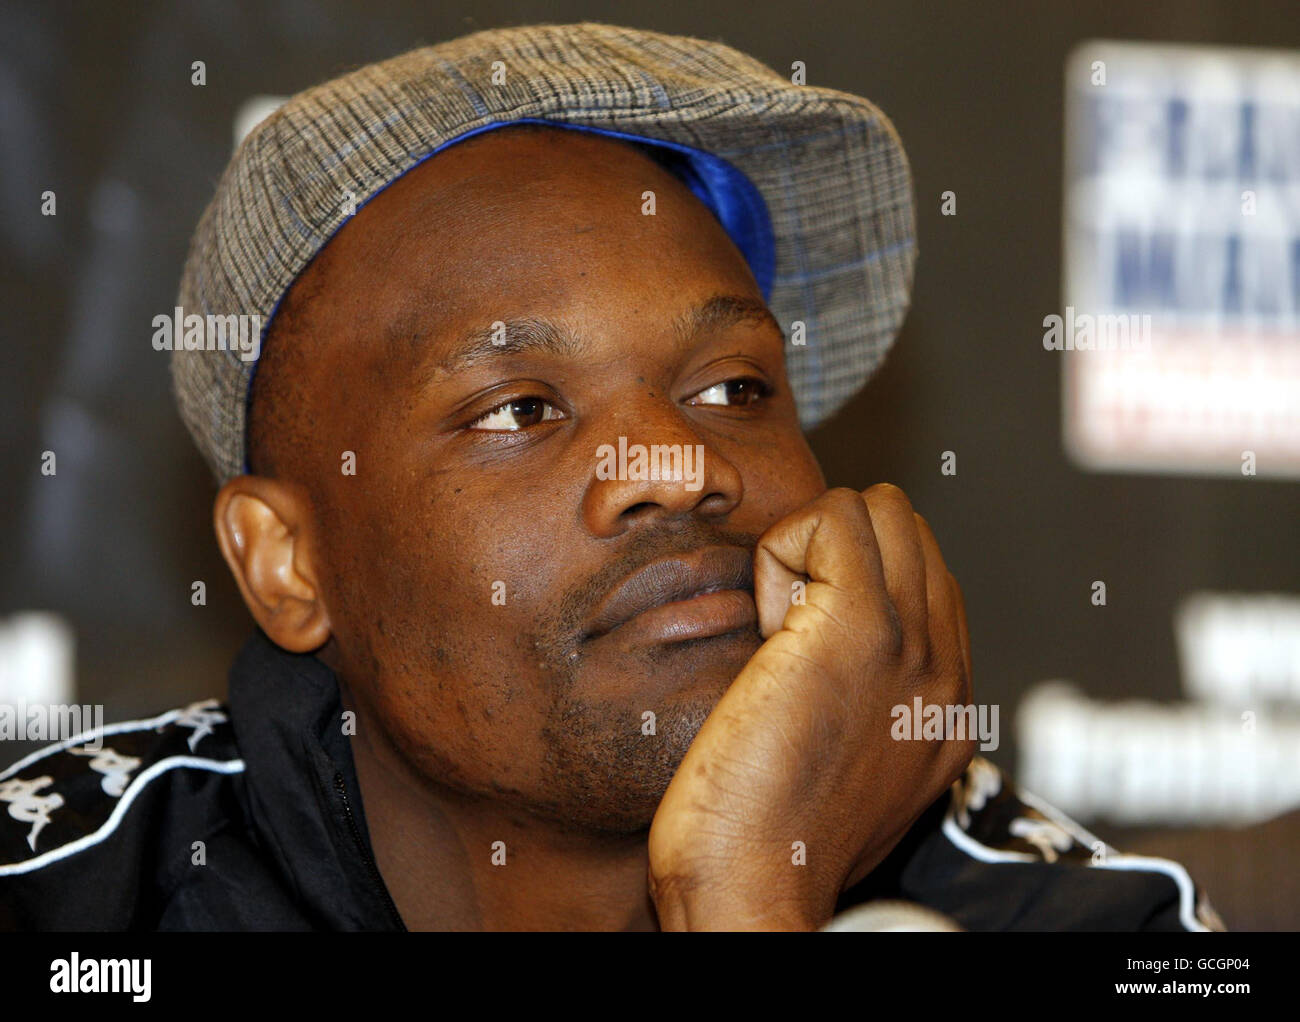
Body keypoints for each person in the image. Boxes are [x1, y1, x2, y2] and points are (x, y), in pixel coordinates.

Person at [0, 22, 1221, 931]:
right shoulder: (68, 899)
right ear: (287, 564)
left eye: (734, 389)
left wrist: (746, 894)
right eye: (520, 408)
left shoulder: (1091, 927)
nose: (678, 467)